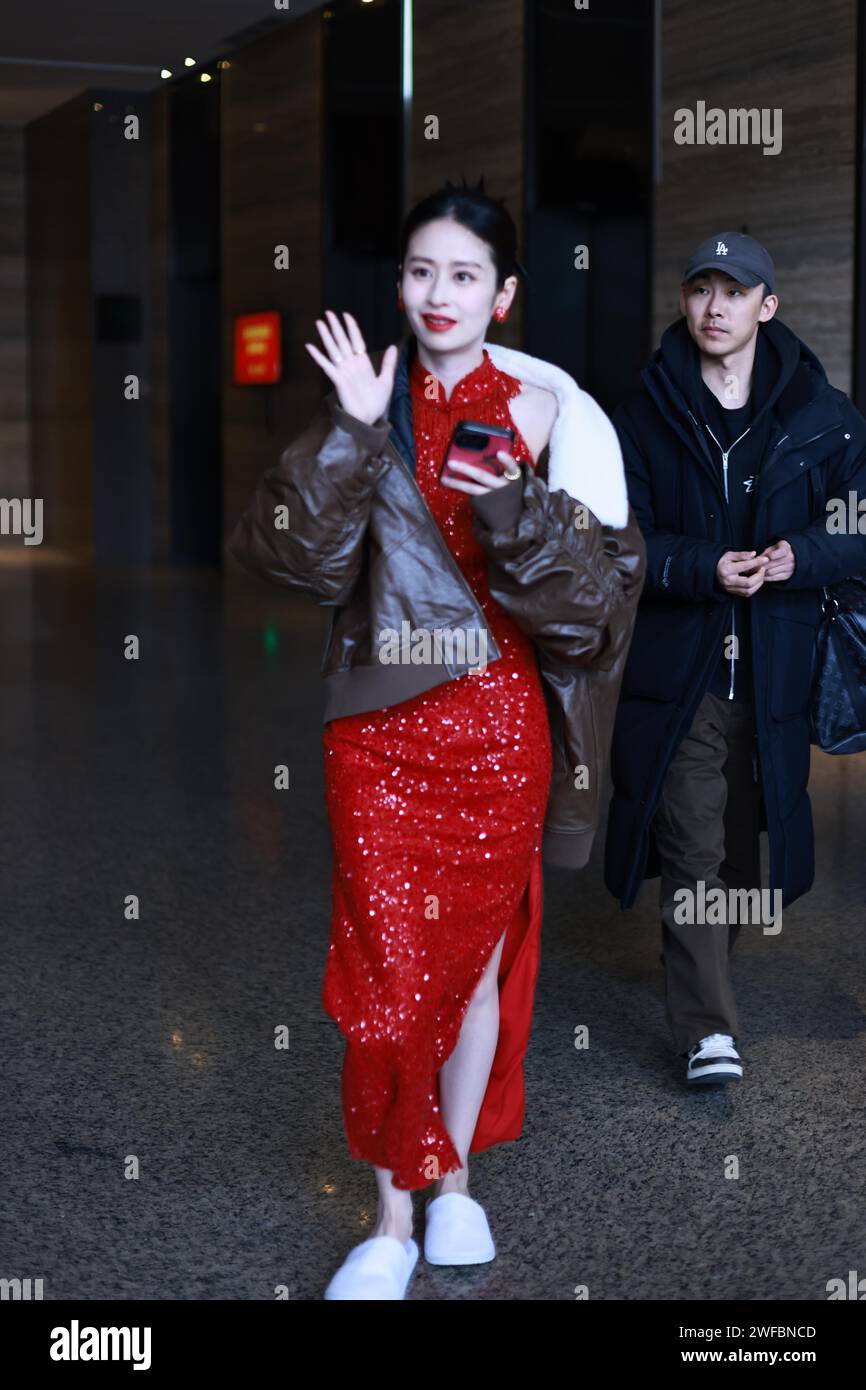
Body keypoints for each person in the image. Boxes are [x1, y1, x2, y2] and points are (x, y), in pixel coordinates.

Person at [227, 176, 645, 1299]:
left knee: (467, 971)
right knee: (385, 974)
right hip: (374, 729)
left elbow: (589, 616)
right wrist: (356, 433)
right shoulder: (364, 398)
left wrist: (512, 504)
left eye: (464, 274)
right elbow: (292, 560)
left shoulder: (554, 413)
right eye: (420, 271)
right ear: (399, 285)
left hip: (498, 728)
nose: (439, 292)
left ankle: (451, 1183)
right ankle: (388, 1217)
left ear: (503, 293)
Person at [604, 231, 866, 1086]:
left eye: (734, 290)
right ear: (684, 302)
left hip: (775, 668)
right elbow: (625, 539)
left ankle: (706, 955)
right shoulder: (642, 412)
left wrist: (800, 555)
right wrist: (698, 565)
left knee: (745, 851)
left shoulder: (823, 416)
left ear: (768, 305)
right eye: (700, 289)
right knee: (691, 842)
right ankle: (707, 1027)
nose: (715, 307)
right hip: (679, 671)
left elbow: (856, 528)